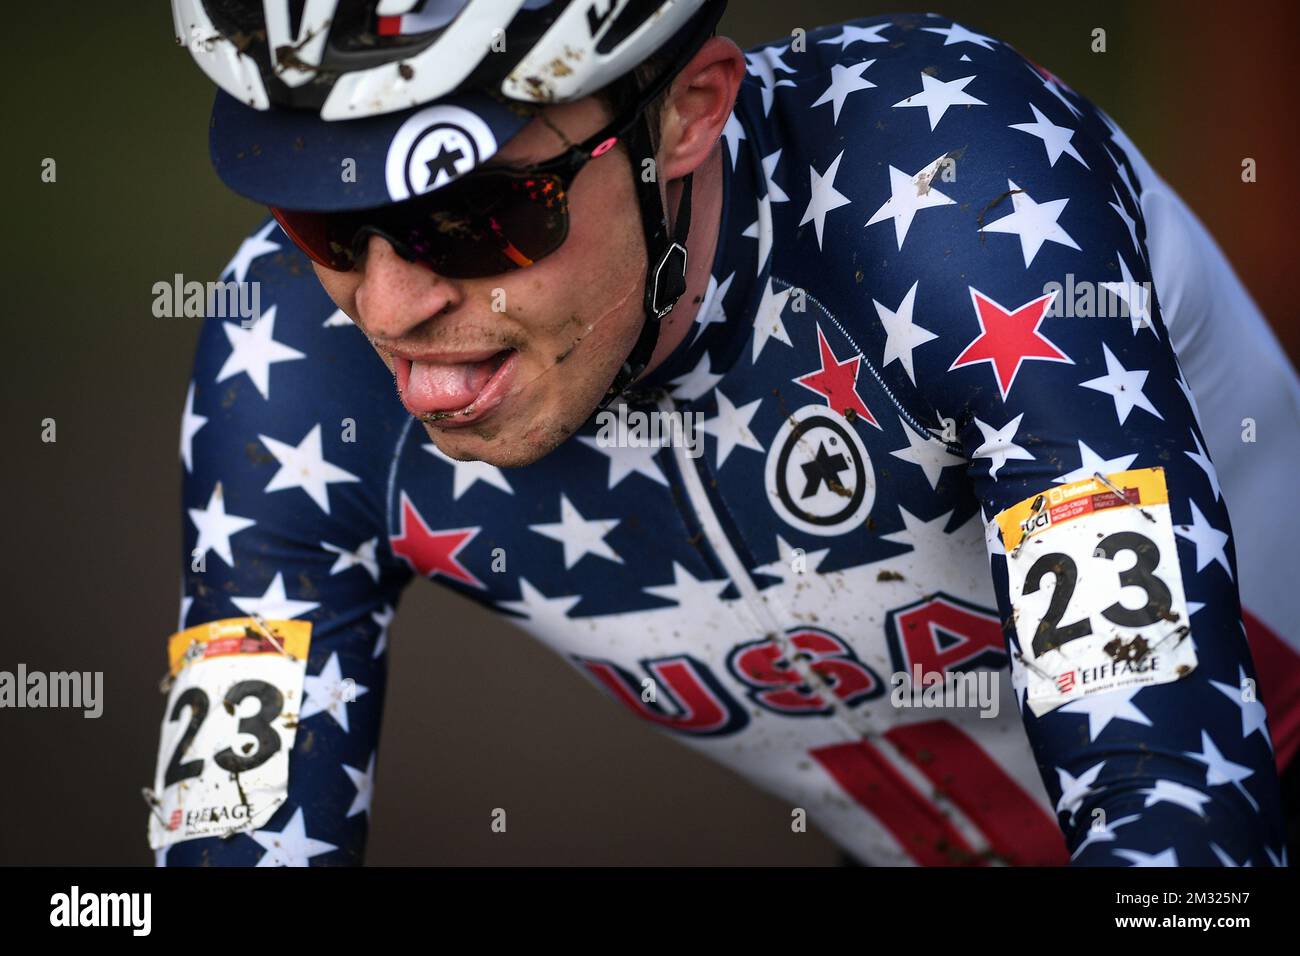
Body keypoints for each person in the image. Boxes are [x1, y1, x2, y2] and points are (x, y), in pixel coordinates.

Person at [152, 0, 1300, 866]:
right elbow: (234, 838)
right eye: (325, 223)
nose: (391, 308)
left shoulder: (951, 188)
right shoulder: (289, 365)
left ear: (690, 109)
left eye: (473, 215)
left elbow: (1167, 796)